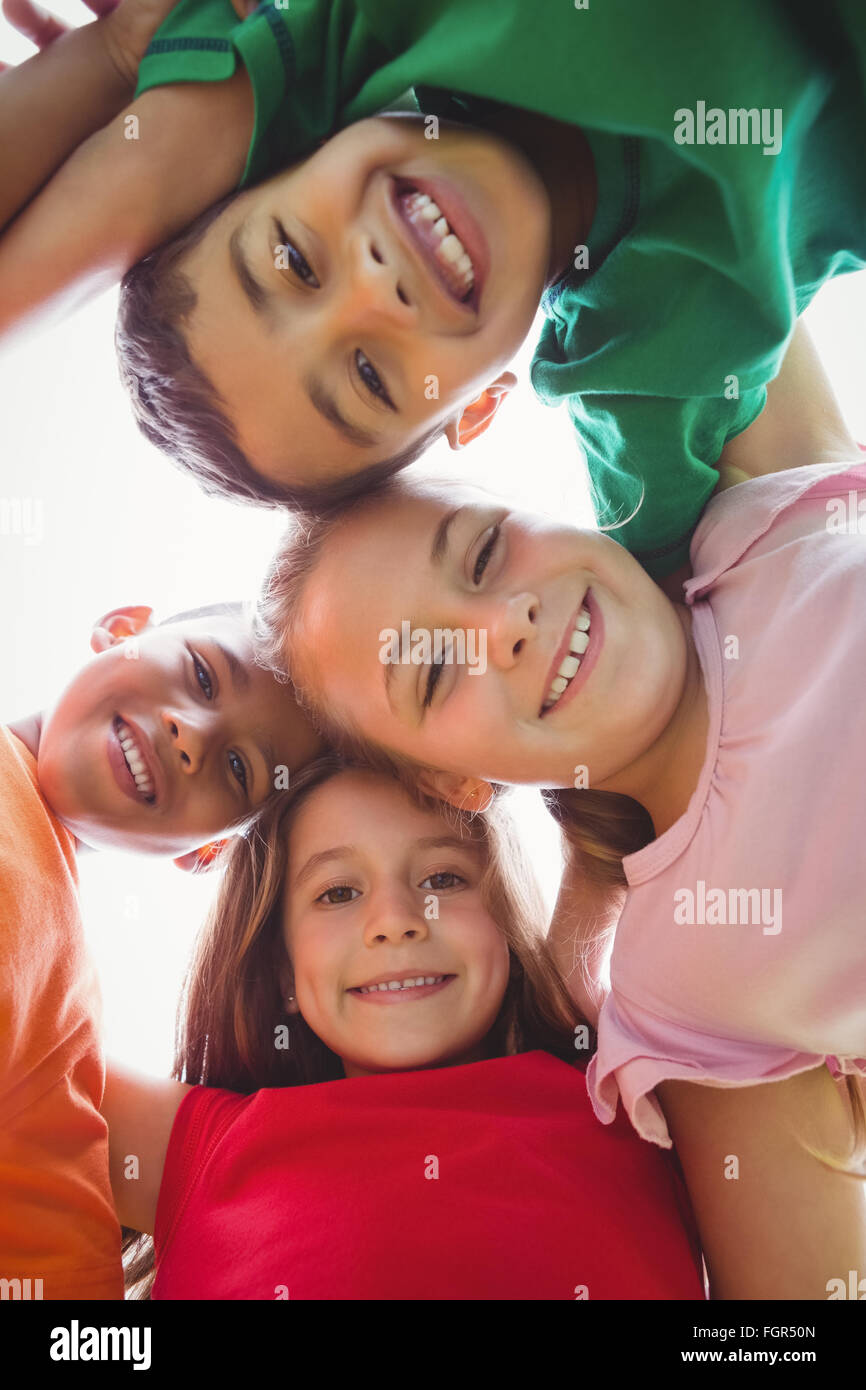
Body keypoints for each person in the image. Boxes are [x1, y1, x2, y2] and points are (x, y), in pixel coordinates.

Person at [249, 321, 866, 1239]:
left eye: (487, 554)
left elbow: (699, 215)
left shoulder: (762, 515)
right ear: (460, 783)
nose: (506, 626)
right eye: (435, 673)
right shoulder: (681, 988)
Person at [2, 0, 865, 575]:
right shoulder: (651, 368)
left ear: (294, 141)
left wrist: (116, 56)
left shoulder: (374, 27)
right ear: (477, 408)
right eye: (372, 377)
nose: (373, 292)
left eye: (298, 262)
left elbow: (151, 155)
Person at [105, 759, 706, 1300]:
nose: (394, 922)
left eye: (442, 879)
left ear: (505, 925)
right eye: (337, 892)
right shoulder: (194, 1147)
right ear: (283, 971)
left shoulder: (635, 1097)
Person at [0, 598, 323, 1298]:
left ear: (205, 854)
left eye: (240, 770)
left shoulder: (63, 1019)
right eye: (203, 676)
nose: (192, 736)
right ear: (122, 628)